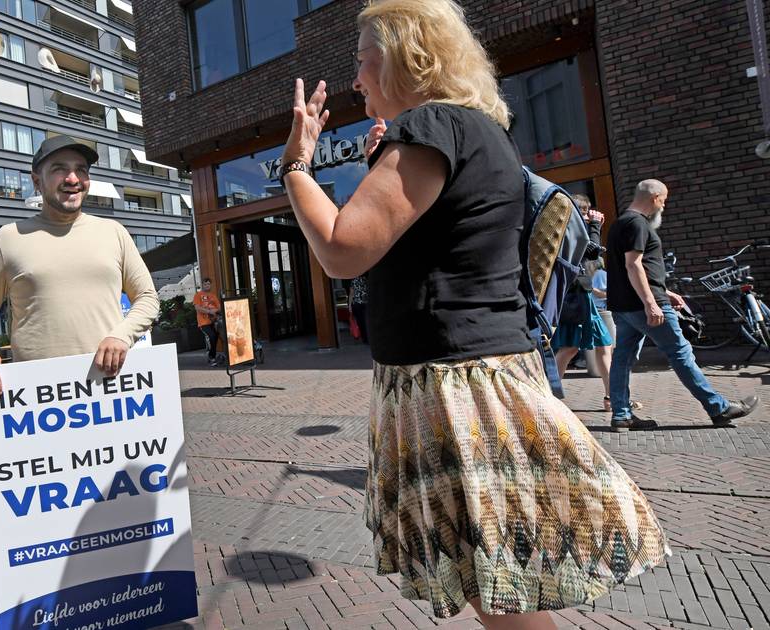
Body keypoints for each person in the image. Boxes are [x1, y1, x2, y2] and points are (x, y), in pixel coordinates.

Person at [280, 0, 669, 624]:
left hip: (453, 383)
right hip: (480, 369)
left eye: (363, 60)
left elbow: (342, 249)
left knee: (498, 585)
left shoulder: (432, 127)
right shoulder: (472, 129)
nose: (355, 79)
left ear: (410, 56)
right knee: (499, 582)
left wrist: (297, 164)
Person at [0, 135, 159, 397]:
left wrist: (122, 335)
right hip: (40, 397)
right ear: (36, 181)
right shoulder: (7, 239)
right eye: (59, 169)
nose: (73, 178)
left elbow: (147, 298)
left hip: (111, 390)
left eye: (81, 170)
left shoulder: (114, 233)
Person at [606, 179, 759, 430]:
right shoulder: (638, 223)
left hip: (624, 306)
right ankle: (718, 408)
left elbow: (633, 269)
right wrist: (652, 302)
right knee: (681, 353)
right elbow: (633, 265)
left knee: (622, 359)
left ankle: (621, 415)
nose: (664, 206)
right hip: (643, 305)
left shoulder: (620, 223)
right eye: (664, 200)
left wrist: (666, 291)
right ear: (655, 198)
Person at [549, 194, 613, 401]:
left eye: (587, 211)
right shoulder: (565, 230)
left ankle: (612, 397)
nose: (585, 215)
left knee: (600, 345)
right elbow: (592, 251)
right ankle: (552, 397)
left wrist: (592, 227)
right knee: (569, 348)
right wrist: (594, 226)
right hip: (575, 298)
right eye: (581, 211)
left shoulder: (573, 230)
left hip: (580, 296)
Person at [192, 278, 221, 366]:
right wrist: (209, 311)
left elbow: (219, 307)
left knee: (216, 336)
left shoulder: (213, 295)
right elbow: (197, 308)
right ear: (202, 285)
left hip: (213, 321)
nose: (207, 286)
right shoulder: (198, 295)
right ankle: (211, 357)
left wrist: (214, 310)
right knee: (212, 336)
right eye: (205, 284)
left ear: (210, 285)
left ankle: (212, 356)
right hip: (203, 323)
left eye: (208, 284)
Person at [349, 274, 370, 345]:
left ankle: (364, 339)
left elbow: (351, 293)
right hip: (366, 302)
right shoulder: (366, 279)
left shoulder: (353, 280)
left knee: (360, 322)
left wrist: (349, 305)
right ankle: (368, 337)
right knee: (367, 320)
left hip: (357, 304)